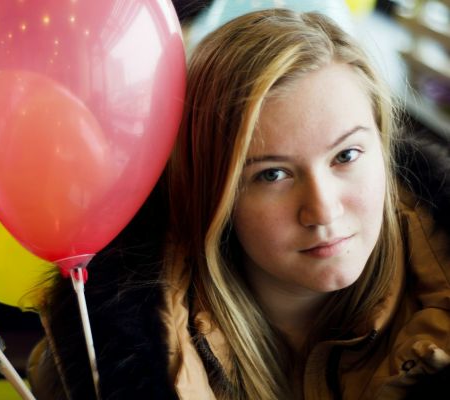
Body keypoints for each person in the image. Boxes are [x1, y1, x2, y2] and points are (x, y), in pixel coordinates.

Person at [27, 9, 450, 399]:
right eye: (272, 175)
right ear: (214, 191)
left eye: (347, 155)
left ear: (384, 150)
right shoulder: (93, 366)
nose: (323, 211)